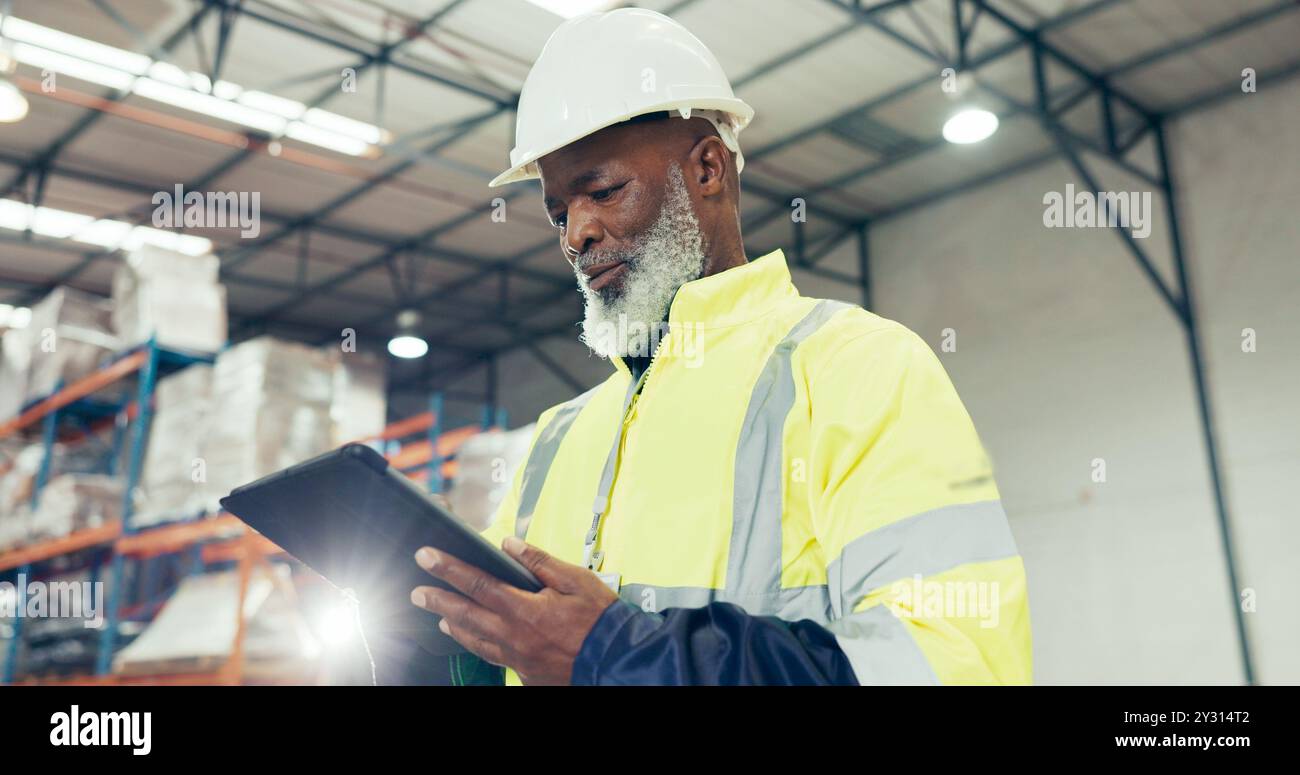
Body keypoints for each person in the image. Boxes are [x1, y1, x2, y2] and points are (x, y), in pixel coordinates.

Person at [408, 7, 1032, 685]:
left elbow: (951, 662)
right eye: (559, 212)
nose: (575, 235)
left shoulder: (857, 368)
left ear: (707, 170)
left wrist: (622, 658)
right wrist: (430, 645)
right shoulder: (556, 440)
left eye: (603, 190)